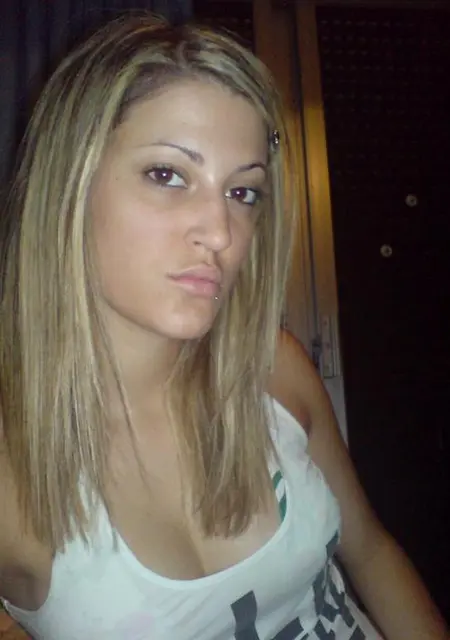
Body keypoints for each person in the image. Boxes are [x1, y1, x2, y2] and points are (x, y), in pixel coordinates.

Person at [0, 12, 447, 640]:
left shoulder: (273, 367)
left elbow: (369, 550)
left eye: (243, 193)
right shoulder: (14, 474)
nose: (221, 232)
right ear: (70, 181)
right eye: (167, 175)